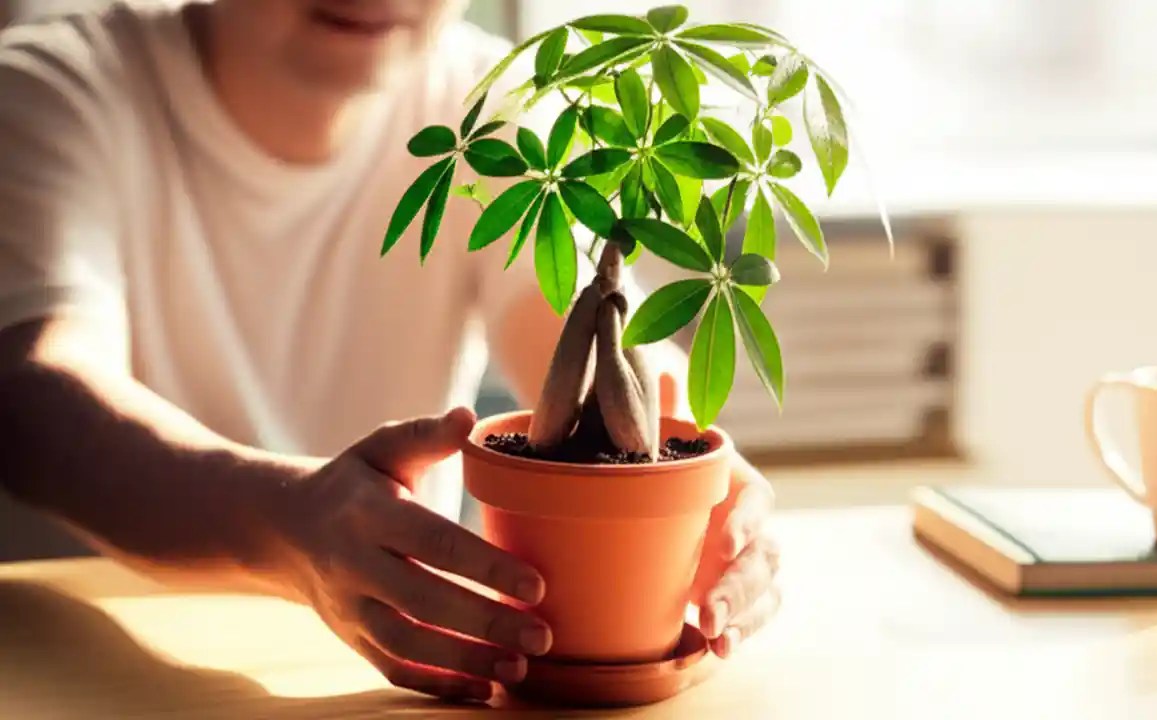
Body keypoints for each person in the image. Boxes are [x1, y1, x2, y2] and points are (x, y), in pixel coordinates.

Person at [0, 0, 780, 703]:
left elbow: (605, 336)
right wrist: (287, 524)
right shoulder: (55, 88)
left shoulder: (491, 102)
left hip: (413, 691)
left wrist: (703, 489)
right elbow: (36, 390)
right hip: (87, 675)